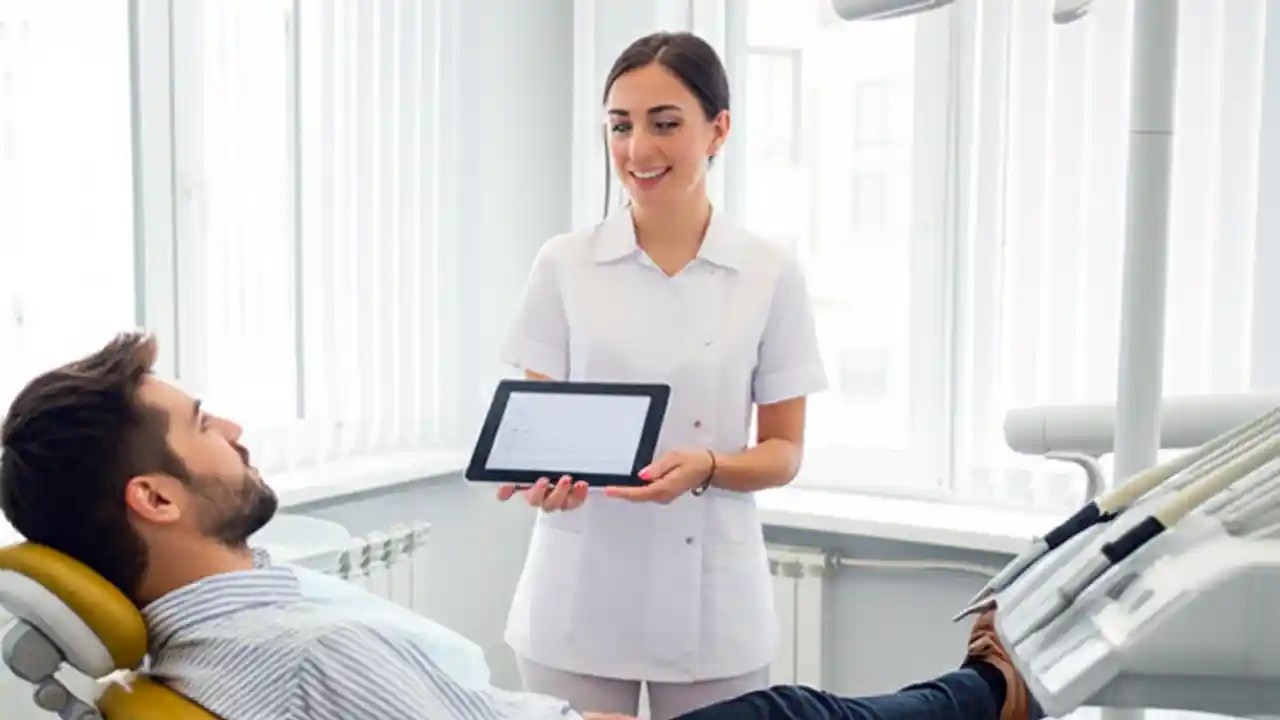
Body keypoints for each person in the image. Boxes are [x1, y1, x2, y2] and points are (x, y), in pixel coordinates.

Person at [0, 332, 1034, 720]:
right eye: (198, 424)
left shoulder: (235, 624)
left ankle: (983, 690)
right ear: (156, 499)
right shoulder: (308, 655)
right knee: (788, 717)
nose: (232, 427)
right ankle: (996, 691)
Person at [495, 30, 827, 720]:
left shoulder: (768, 271)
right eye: (620, 126)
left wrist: (707, 465)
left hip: (712, 604)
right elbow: (541, 434)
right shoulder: (563, 264)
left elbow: (784, 452)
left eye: (665, 123)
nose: (637, 150)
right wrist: (538, 480)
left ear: (718, 129)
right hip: (577, 597)